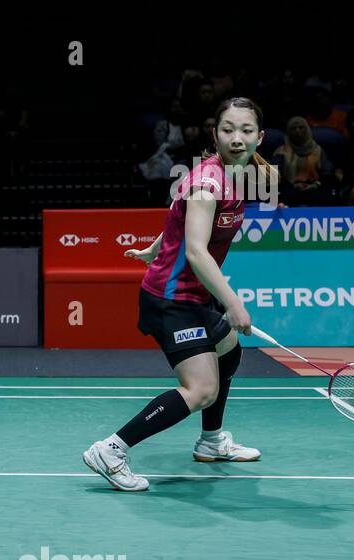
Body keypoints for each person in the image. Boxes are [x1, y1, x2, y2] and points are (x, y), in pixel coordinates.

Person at [82, 97, 271, 492]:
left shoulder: (242, 172)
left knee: (229, 352)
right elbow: (196, 250)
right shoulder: (208, 182)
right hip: (172, 298)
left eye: (246, 130)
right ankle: (111, 450)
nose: (237, 138)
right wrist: (234, 303)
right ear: (215, 134)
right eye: (228, 130)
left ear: (260, 137)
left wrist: (152, 249)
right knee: (201, 388)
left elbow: (179, 219)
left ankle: (211, 442)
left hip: (194, 293)